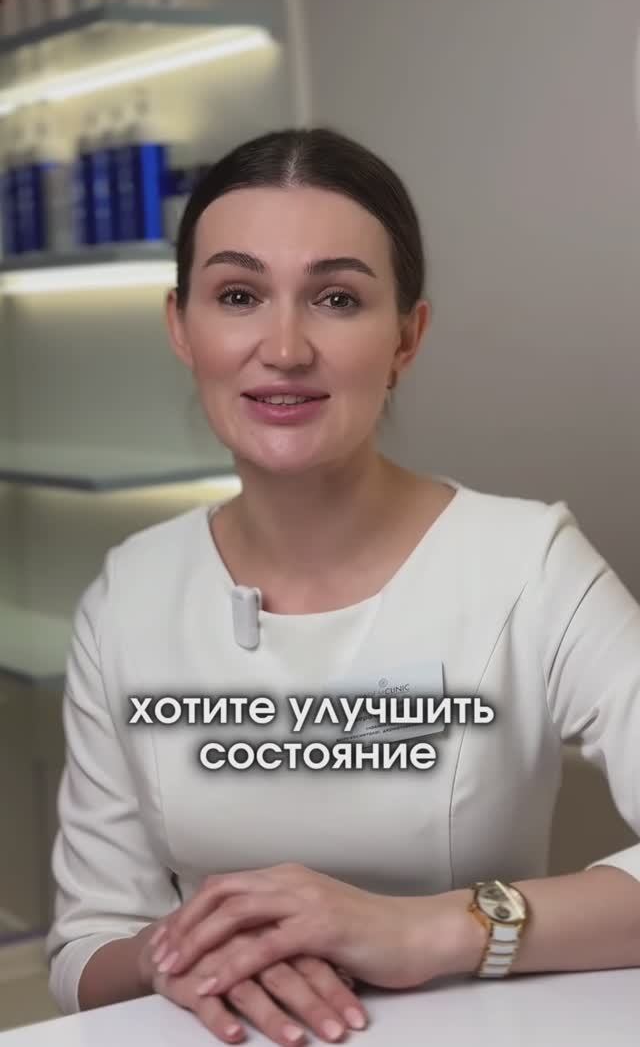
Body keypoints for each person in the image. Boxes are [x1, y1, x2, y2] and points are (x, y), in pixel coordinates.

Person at [46, 127, 640, 1046]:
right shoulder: (130, 593)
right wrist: (184, 954)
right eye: (238, 296)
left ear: (407, 336)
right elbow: (84, 948)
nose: (284, 348)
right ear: (181, 328)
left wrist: (424, 931)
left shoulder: (529, 564)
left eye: (336, 299)